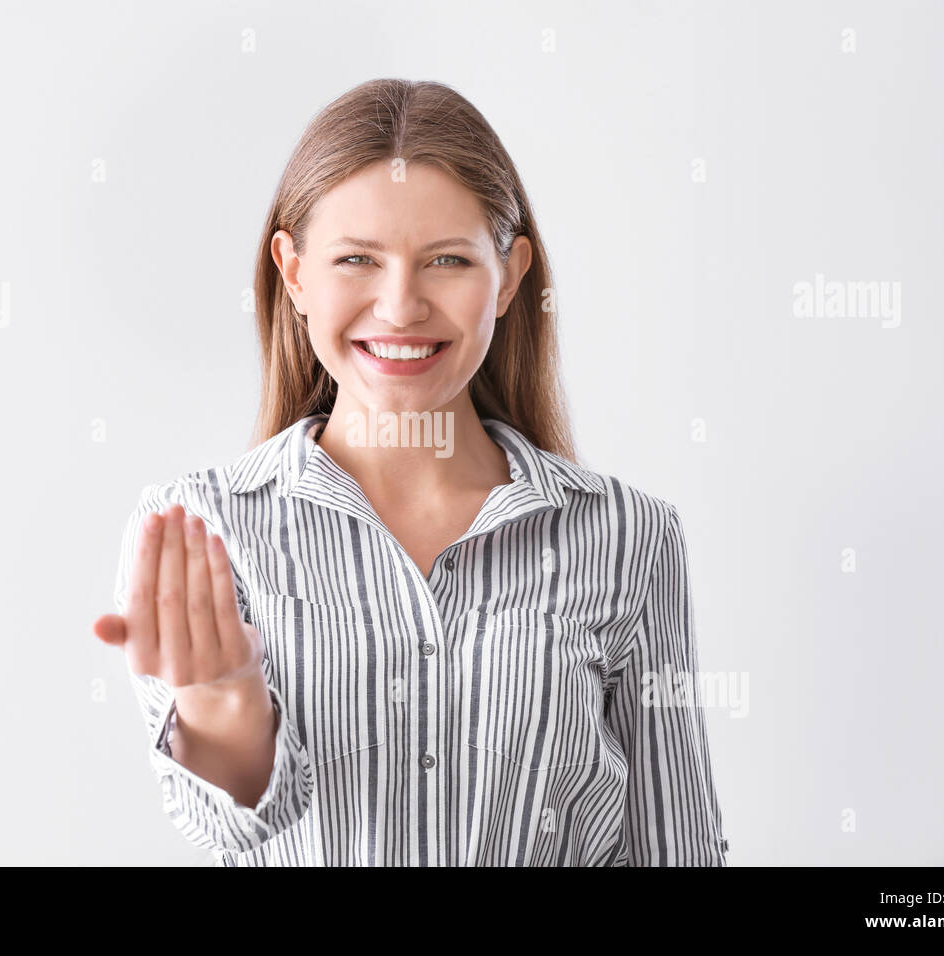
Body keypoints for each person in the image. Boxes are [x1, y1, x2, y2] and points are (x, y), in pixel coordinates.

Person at [92, 78, 728, 866]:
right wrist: (225, 704)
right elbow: (233, 828)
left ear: (509, 276)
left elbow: (679, 847)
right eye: (357, 259)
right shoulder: (205, 530)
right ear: (293, 273)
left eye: (447, 261)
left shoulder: (628, 537)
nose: (399, 307)